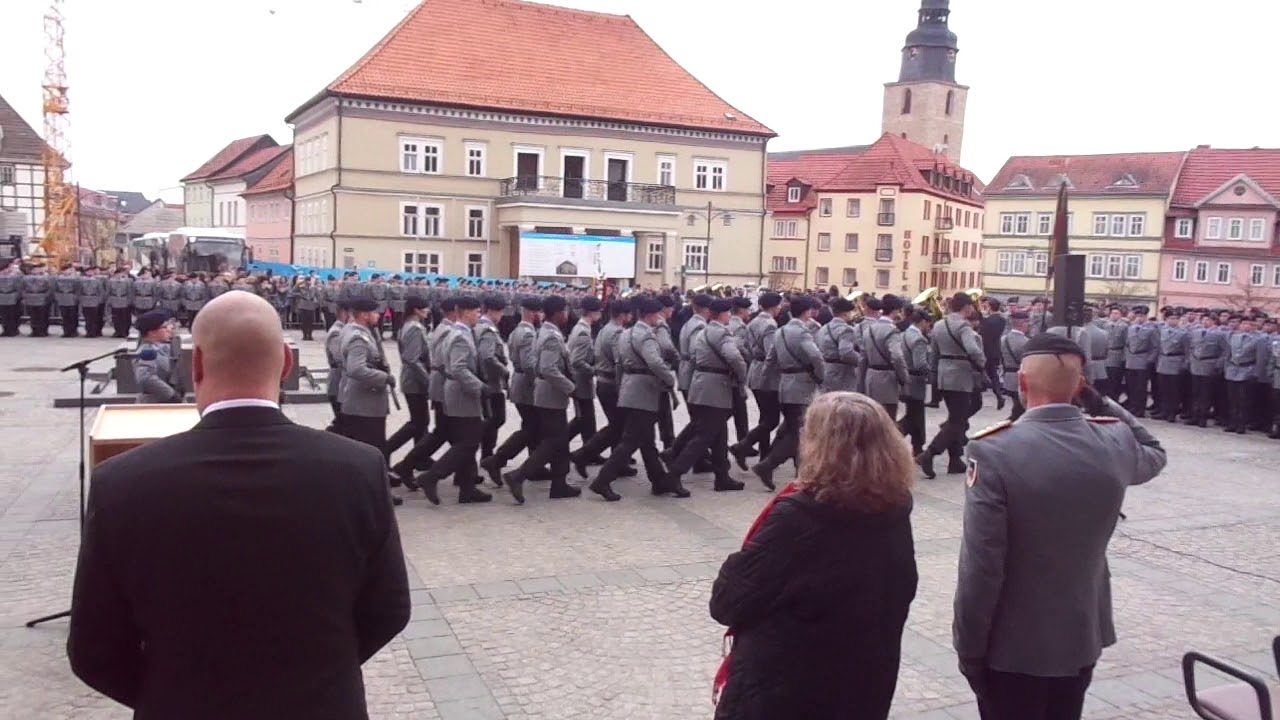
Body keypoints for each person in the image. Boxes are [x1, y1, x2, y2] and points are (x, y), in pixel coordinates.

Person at [66, 291, 410, 719]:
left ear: (195, 365)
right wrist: (318, 676)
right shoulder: (357, 469)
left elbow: (92, 648)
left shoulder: (121, 482)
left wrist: (172, 694)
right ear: (287, 364)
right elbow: (389, 609)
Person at [953, 333, 1166, 720]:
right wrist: (1100, 402)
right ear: (1080, 386)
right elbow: (1153, 450)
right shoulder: (1113, 439)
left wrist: (968, 647)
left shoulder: (993, 450)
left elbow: (982, 567)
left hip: (1013, 647)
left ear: (1021, 383)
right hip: (1082, 634)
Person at [710, 392, 918, 720]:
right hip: (862, 687)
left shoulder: (800, 518)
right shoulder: (894, 507)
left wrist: (737, 562)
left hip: (787, 694)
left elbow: (727, 601)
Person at [133, 310, 181, 404]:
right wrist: (171, 395)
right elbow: (145, 378)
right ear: (152, 332)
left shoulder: (161, 346)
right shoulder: (146, 351)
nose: (170, 328)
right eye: (165, 326)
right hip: (154, 405)